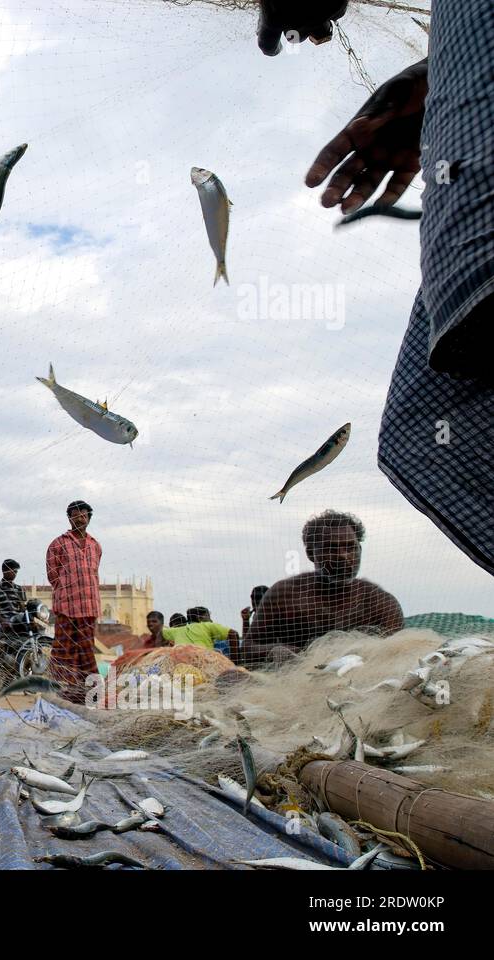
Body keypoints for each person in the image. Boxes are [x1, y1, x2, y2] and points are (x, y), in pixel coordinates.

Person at [254, 2, 494, 580]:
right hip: (468, 254)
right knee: (428, 437)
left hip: (478, 248)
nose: (305, 31)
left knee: (433, 434)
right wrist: (440, 81)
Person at [240, 510, 404, 666]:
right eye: (331, 548)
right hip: (296, 682)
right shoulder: (284, 595)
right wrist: (273, 651)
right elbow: (248, 647)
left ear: (359, 550)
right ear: (311, 553)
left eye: (350, 547)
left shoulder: (380, 602)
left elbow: (398, 652)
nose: (342, 556)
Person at [45, 500, 101, 703]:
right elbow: (53, 575)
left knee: (86, 649)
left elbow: (94, 573)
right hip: (67, 606)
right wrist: (67, 590)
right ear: (69, 518)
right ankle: (64, 689)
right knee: (65, 649)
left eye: (85, 515)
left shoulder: (96, 545)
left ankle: (88, 691)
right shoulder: (58, 544)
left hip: (89, 606)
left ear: (89, 518)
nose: (81, 518)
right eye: (76, 514)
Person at [0, 558, 29, 669]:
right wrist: (2, 621)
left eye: (16, 572)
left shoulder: (20, 589)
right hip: (3, 623)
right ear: (5, 571)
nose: (15, 574)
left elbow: (22, 608)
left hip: (18, 623)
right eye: (13, 571)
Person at [160, 607, 238, 654]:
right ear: (199, 618)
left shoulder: (176, 631)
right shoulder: (208, 625)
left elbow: (157, 633)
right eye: (208, 616)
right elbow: (233, 633)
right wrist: (235, 663)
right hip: (205, 662)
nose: (211, 620)